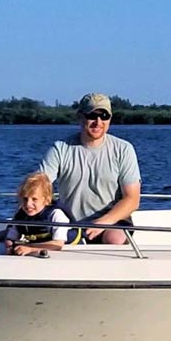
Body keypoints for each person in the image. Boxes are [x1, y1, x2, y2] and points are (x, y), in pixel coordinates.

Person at [39, 93, 141, 245]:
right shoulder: (60, 149)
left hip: (112, 222)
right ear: (80, 117)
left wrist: (102, 223)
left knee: (115, 239)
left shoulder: (124, 149)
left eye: (104, 116)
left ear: (110, 119)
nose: (98, 122)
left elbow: (132, 199)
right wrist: (15, 227)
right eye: (92, 115)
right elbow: (36, 188)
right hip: (70, 222)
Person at [4, 172, 81, 256]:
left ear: (46, 200)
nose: (28, 204)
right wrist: (9, 247)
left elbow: (58, 244)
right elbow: (10, 238)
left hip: (71, 249)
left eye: (34, 199)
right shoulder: (21, 215)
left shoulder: (56, 215)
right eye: (25, 199)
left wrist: (30, 248)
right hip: (37, 246)